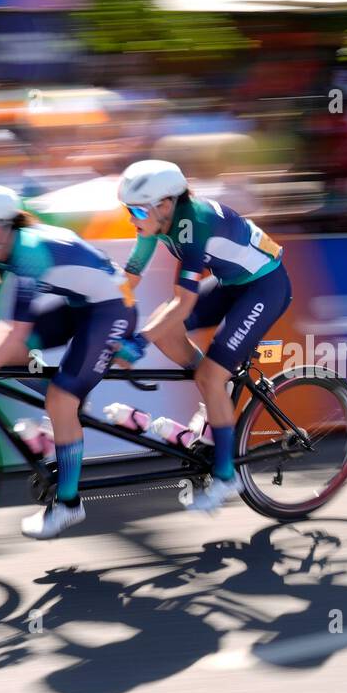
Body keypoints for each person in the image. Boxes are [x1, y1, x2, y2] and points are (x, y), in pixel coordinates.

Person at [0, 183, 138, 539]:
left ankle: (68, 505)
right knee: (0, 350)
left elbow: (15, 329)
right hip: (80, 306)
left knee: (56, 395)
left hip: (111, 309)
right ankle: (67, 406)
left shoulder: (30, 252)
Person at [116, 159, 292, 511]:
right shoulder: (158, 221)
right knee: (167, 333)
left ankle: (227, 477)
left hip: (264, 287)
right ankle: (219, 392)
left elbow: (183, 303)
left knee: (207, 373)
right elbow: (132, 275)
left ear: (164, 203)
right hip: (232, 282)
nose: (131, 218)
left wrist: (138, 342)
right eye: (126, 210)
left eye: (135, 210)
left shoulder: (192, 224)